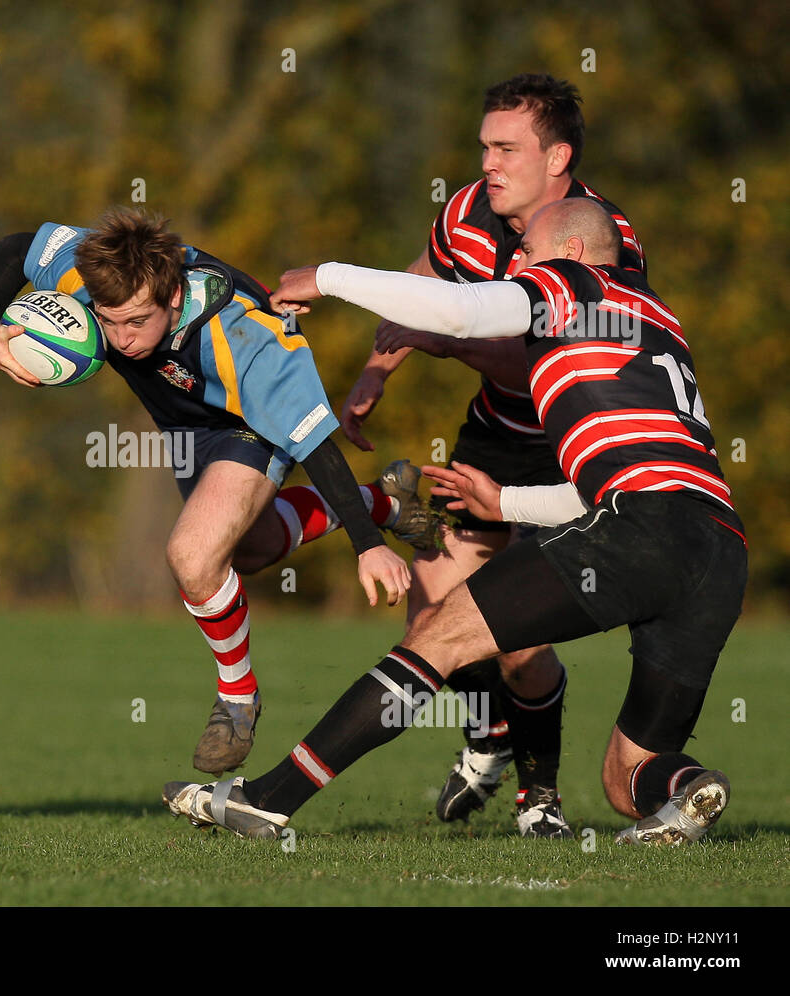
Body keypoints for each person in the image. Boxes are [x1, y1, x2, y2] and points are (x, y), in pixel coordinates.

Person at [164, 197, 745, 847]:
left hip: (645, 525)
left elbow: (461, 311)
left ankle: (268, 800)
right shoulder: (656, 316)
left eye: (528, 250)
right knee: (628, 777)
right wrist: (506, 505)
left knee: (439, 635)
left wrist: (326, 276)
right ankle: (688, 789)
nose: (516, 260)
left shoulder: (573, 282)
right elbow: (606, 486)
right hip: (719, 549)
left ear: (575, 253)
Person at [0, 208, 435, 774]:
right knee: (249, 552)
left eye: (137, 321)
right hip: (188, 430)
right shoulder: (100, 276)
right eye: (109, 322)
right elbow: (18, 245)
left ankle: (238, 700)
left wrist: (367, 546)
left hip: (250, 422)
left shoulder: (247, 343)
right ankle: (384, 501)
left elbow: (316, 445)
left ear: (170, 296)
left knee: (191, 556)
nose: (122, 339)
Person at [336, 73, 645, 835]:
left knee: (520, 645)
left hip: (569, 458)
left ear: (559, 157)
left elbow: (534, 364)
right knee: (430, 612)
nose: (488, 164)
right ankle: (488, 736)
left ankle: (539, 800)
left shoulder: (602, 244)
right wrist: (373, 373)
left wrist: (438, 341)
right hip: (488, 441)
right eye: (484, 146)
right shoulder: (470, 210)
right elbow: (424, 277)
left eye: (507, 149)